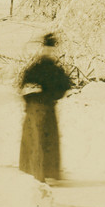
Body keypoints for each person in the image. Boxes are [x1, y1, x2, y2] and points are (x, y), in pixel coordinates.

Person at [19, 33, 72, 183]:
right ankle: (41, 173)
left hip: (39, 107)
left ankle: (38, 171)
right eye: (49, 49)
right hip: (41, 107)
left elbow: (24, 85)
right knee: (40, 141)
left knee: (38, 140)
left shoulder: (38, 67)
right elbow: (63, 87)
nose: (49, 52)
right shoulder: (45, 67)